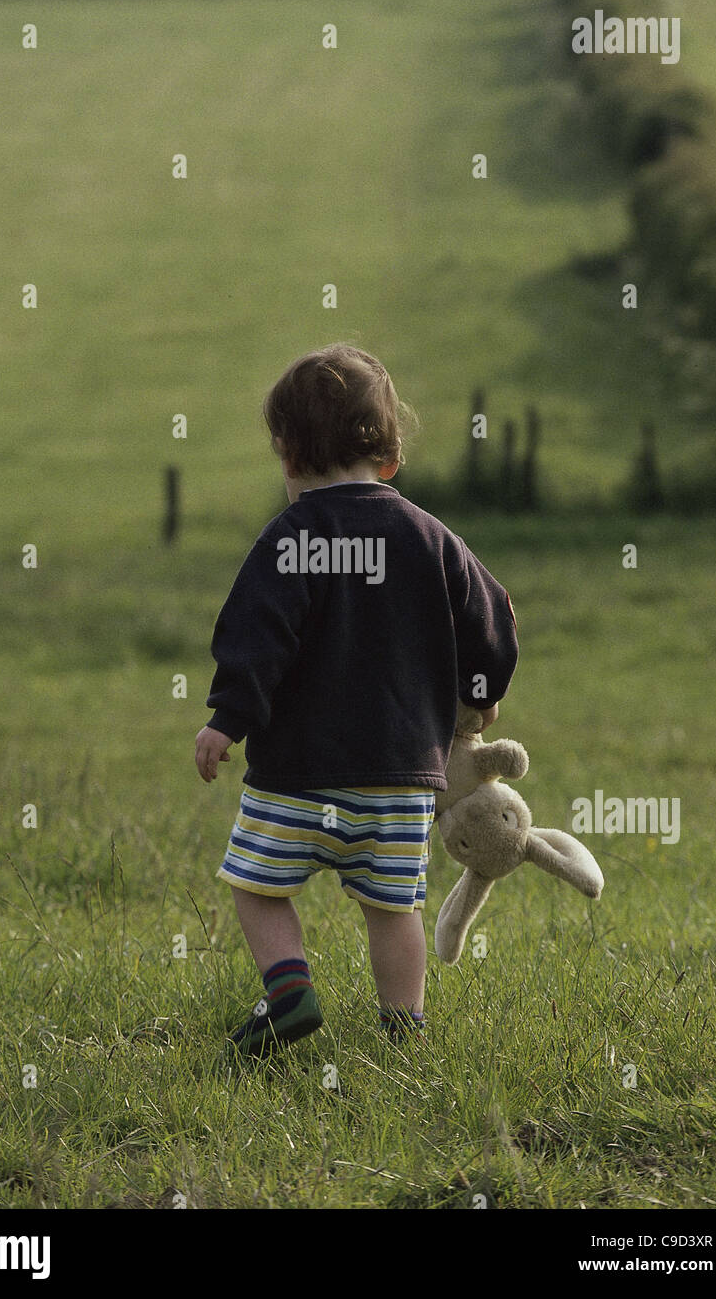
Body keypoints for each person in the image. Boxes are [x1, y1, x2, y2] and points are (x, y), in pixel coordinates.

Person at [195, 344, 518, 1055]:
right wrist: (480, 691)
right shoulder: (432, 539)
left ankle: (289, 993)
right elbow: (494, 616)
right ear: (392, 455)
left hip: (297, 779)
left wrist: (229, 719)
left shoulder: (291, 541)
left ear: (287, 455)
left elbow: (255, 638)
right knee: (393, 907)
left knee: (256, 886)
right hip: (401, 784)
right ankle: (404, 1032)